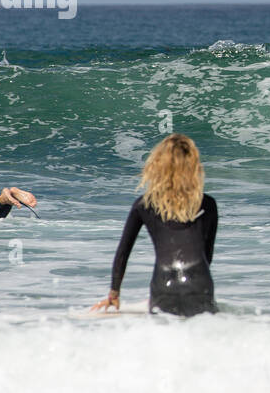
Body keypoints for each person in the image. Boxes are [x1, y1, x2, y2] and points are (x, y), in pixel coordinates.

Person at [92, 133, 218, 317]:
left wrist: (114, 294)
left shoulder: (144, 205)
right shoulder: (207, 204)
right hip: (199, 284)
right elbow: (207, 255)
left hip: (163, 287)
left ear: (158, 165)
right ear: (193, 166)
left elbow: (123, 252)